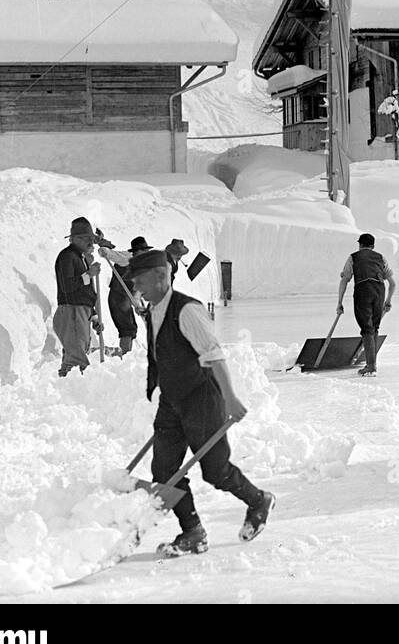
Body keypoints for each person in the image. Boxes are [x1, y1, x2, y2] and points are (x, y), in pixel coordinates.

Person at [127, 247, 274, 557]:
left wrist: (231, 399)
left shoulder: (187, 310)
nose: (135, 287)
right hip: (172, 401)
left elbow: (214, 354)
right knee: (164, 473)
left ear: (160, 276)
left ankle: (258, 500)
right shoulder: (153, 310)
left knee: (216, 471)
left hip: (202, 400)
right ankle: (193, 532)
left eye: (139, 280)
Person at [336, 233, 397, 377]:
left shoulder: (353, 257)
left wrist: (339, 303)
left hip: (363, 291)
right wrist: (388, 300)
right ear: (373, 246)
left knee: (367, 329)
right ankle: (372, 364)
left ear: (360, 245)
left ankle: (370, 366)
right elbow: (393, 283)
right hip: (379, 291)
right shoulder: (381, 258)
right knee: (374, 327)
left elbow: (344, 280)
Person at [53, 217, 109, 376]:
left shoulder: (81, 258)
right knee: (77, 361)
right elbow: (67, 286)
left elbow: (86, 292)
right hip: (71, 311)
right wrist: (88, 274)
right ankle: (74, 394)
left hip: (80, 313)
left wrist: (94, 315)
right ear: (75, 239)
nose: (91, 243)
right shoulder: (67, 256)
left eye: (92, 239)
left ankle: (67, 390)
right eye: (87, 239)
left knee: (75, 356)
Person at [103, 236, 150, 355]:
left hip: (126, 300)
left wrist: (138, 306)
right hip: (117, 297)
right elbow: (112, 254)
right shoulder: (126, 258)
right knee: (127, 329)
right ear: (136, 251)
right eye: (144, 251)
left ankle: (121, 353)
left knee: (132, 328)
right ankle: (122, 354)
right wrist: (105, 252)